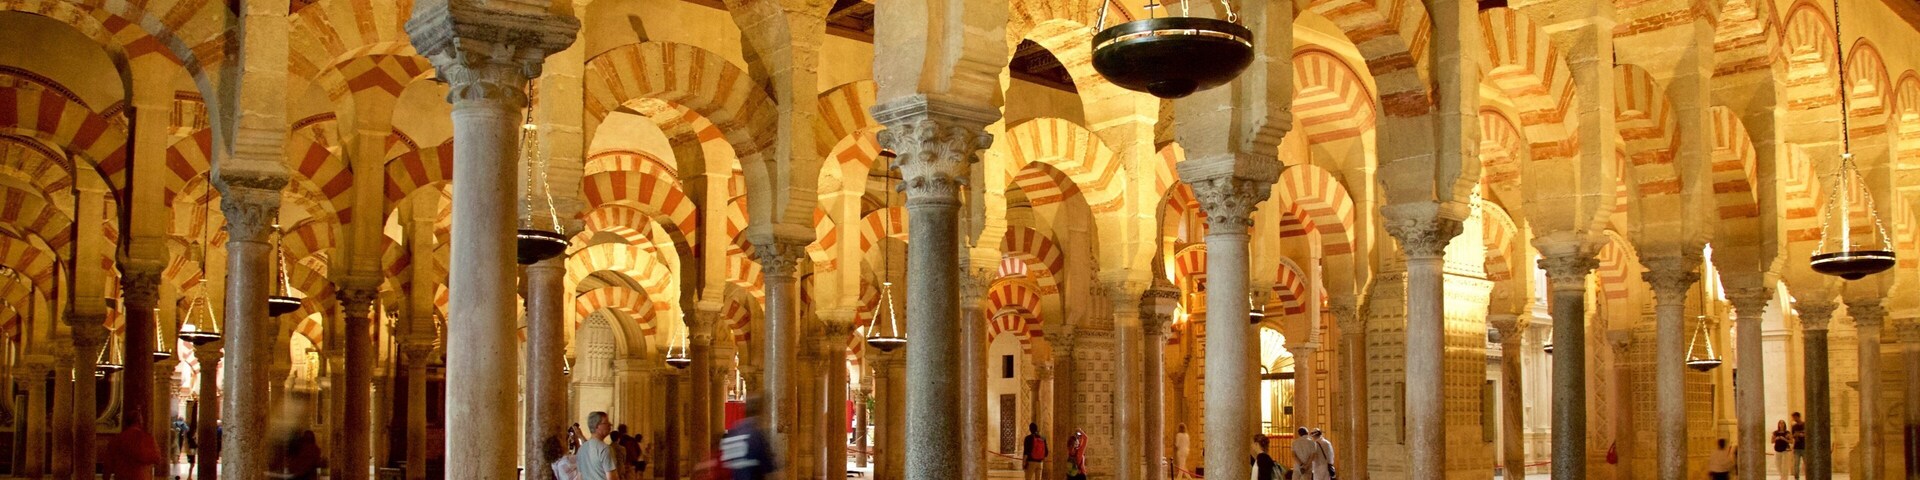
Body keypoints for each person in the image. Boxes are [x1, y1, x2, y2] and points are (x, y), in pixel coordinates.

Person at [721, 395, 779, 480]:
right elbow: (769, 472)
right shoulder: (756, 435)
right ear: (760, 411)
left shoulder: (732, 432)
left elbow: (726, 466)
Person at [103, 412, 165, 480]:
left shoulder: (116, 439)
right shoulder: (147, 438)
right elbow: (157, 459)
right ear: (140, 422)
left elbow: (107, 466)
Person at [577, 411, 617, 480]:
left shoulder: (581, 449)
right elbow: (611, 478)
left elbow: (580, 477)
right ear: (597, 426)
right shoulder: (605, 449)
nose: (610, 425)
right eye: (606, 423)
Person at [1790, 412, 1807, 480]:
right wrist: (1795, 435)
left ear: (1798, 417)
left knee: (1806, 463)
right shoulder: (1794, 426)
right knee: (1796, 463)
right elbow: (1792, 435)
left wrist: (1802, 434)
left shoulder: (1805, 424)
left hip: (1804, 447)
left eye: (1794, 417)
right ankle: (1796, 477)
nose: (1793, 419)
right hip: (1797, 447)